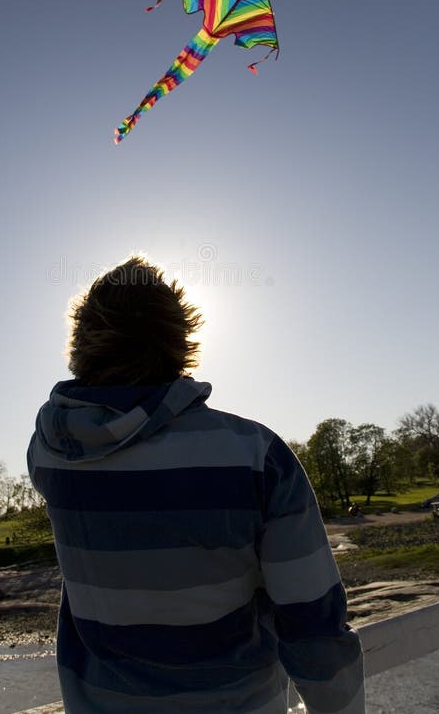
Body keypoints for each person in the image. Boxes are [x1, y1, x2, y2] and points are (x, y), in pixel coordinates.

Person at [27, 256, 365, 713]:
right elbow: (313, 626)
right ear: (179, 338)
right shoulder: (255, 456)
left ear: (83, 342)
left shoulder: (52, 453)